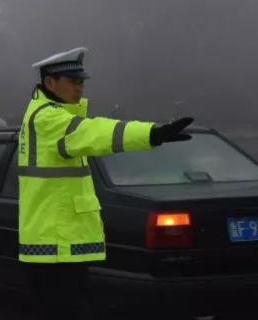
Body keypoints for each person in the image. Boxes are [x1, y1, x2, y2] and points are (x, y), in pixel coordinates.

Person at [18, 47, 193, 319]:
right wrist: (151, 133)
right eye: (73, 82)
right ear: (50, 83)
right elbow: (96, 132)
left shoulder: (46, 115)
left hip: (56, 242)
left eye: (82, 82)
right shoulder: (48, 118)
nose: (79, 89)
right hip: (56, 244)